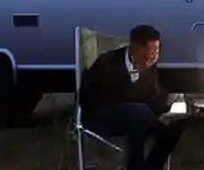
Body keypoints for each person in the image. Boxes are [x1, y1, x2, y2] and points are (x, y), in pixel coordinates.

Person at [79, 24, 191, 170]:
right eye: (150, 52)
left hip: (138, 116)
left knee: (177, 122)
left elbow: (154, 96)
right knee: (137, 111)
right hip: (101, 115)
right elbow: (100, 99)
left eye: (157, 51)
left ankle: (152, 166)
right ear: (134, 48)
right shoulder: (107, 64)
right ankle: (135, 166)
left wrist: (169, 109)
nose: (154, 57)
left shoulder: (149, 66)